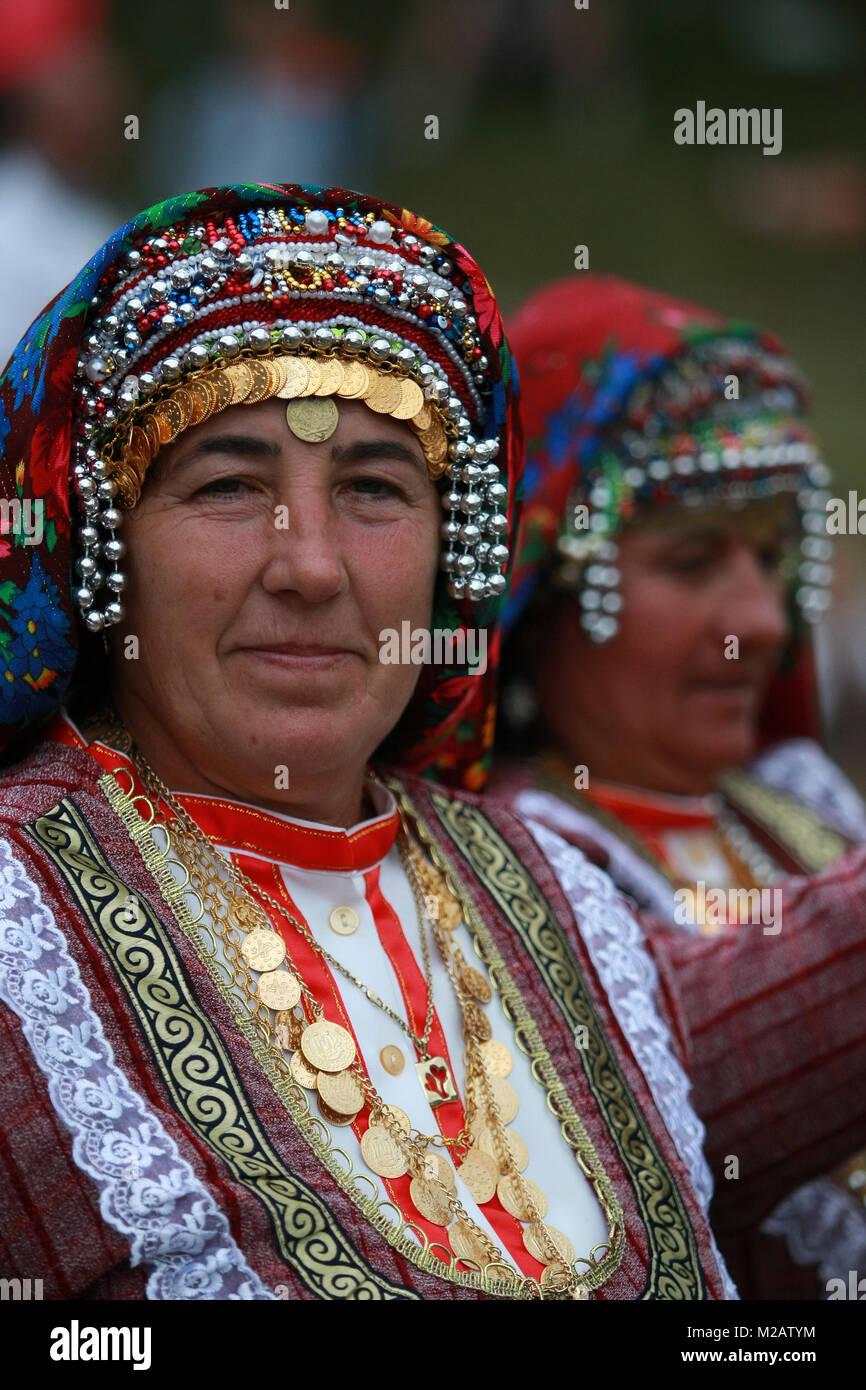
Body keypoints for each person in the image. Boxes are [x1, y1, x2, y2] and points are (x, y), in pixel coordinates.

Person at [0, 188, 864, 1302]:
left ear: (452, 549)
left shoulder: (550, 894)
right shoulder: (25, 931)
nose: (309, 566)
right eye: (227, 486)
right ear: (100, 545)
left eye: (372, 487)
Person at [492, 274, 866, 1297]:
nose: (757, 617)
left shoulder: (799, 802)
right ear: (545, 583)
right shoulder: (511, 863)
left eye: (767, 557)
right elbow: (667, 1100)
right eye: (693, 562)